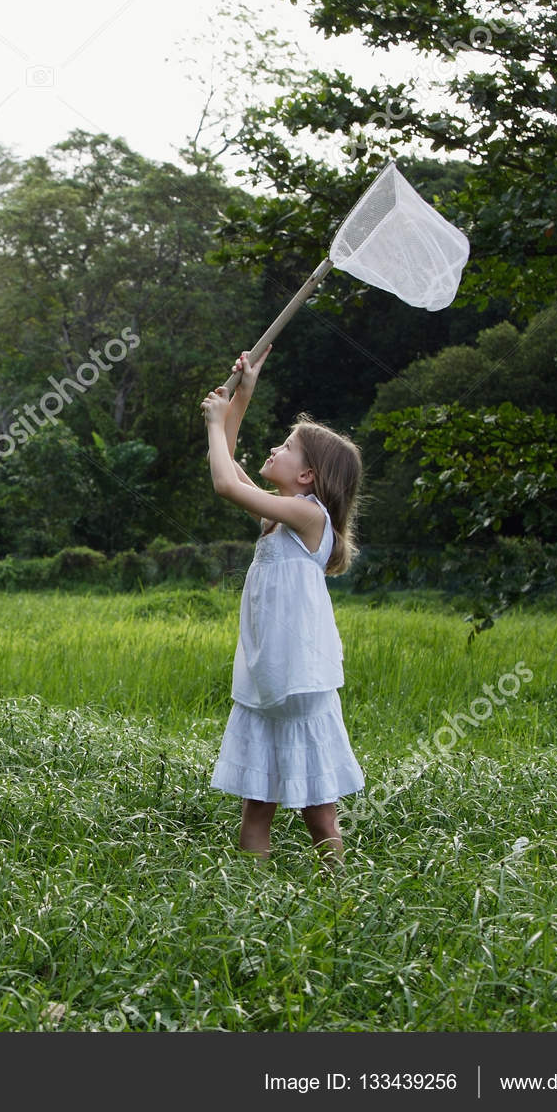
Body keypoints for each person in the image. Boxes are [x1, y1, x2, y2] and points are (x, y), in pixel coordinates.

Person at [200, 345, 365, 872]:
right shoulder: (280, 518)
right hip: (269, 680)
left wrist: (214, 420)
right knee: (257, 807)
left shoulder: (306, 517)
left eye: (288, 446)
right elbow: (229, 463)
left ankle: (341, 899)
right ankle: (256, 909)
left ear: (308, 478)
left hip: (298, 683)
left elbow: (226, 481)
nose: (276, 446)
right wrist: (239, 398)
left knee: (319, 816)